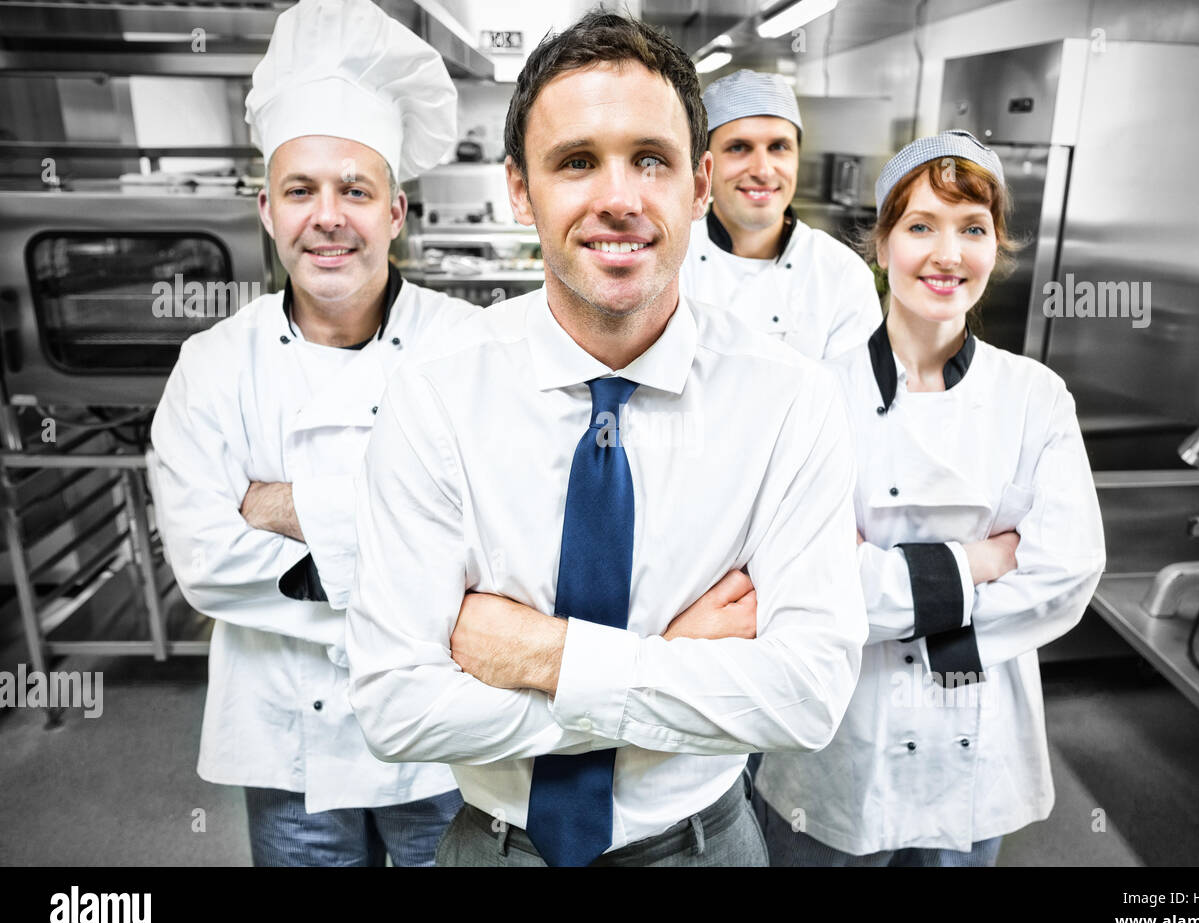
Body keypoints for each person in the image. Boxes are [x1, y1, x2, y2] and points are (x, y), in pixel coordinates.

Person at [343, 11, 867, 868]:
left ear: (698, 187)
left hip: (705, 842)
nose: (618, 196)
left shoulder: (788, 402)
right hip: (498, 845)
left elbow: (806, 698)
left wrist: (543, 656)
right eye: (577, 161)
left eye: (650, 160)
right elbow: (399, 708)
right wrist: (671, 662)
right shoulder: (437, 398)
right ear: (520, 189)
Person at [149, 0, 476, 866]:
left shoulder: (470, 349)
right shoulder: (212, 364)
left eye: (355, 190)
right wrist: (405, 541)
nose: (328, 216)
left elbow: (501, 544)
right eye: (302, 191)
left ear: (397, 212)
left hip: (443, 743)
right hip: (286, 745)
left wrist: (284, 507)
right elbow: (206, 565)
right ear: (267, 209)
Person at [751, 130, 1107, 865]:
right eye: (920, 227)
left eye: (973, 229)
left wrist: (881, 582)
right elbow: (801, 584)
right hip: (840, 740)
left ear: (995, 247)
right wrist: (980, 561)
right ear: (881, 246)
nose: (948, 255)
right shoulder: (813, 395)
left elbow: (1067, 570)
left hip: (977, 750)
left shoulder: (1035, 397)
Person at [678, 69, 881, 361]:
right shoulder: (674, 261)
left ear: (797, 157)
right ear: (705, 164)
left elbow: (851, 399)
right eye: (738, 148)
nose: (762, 170)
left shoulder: (841, 275)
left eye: (778, 147)